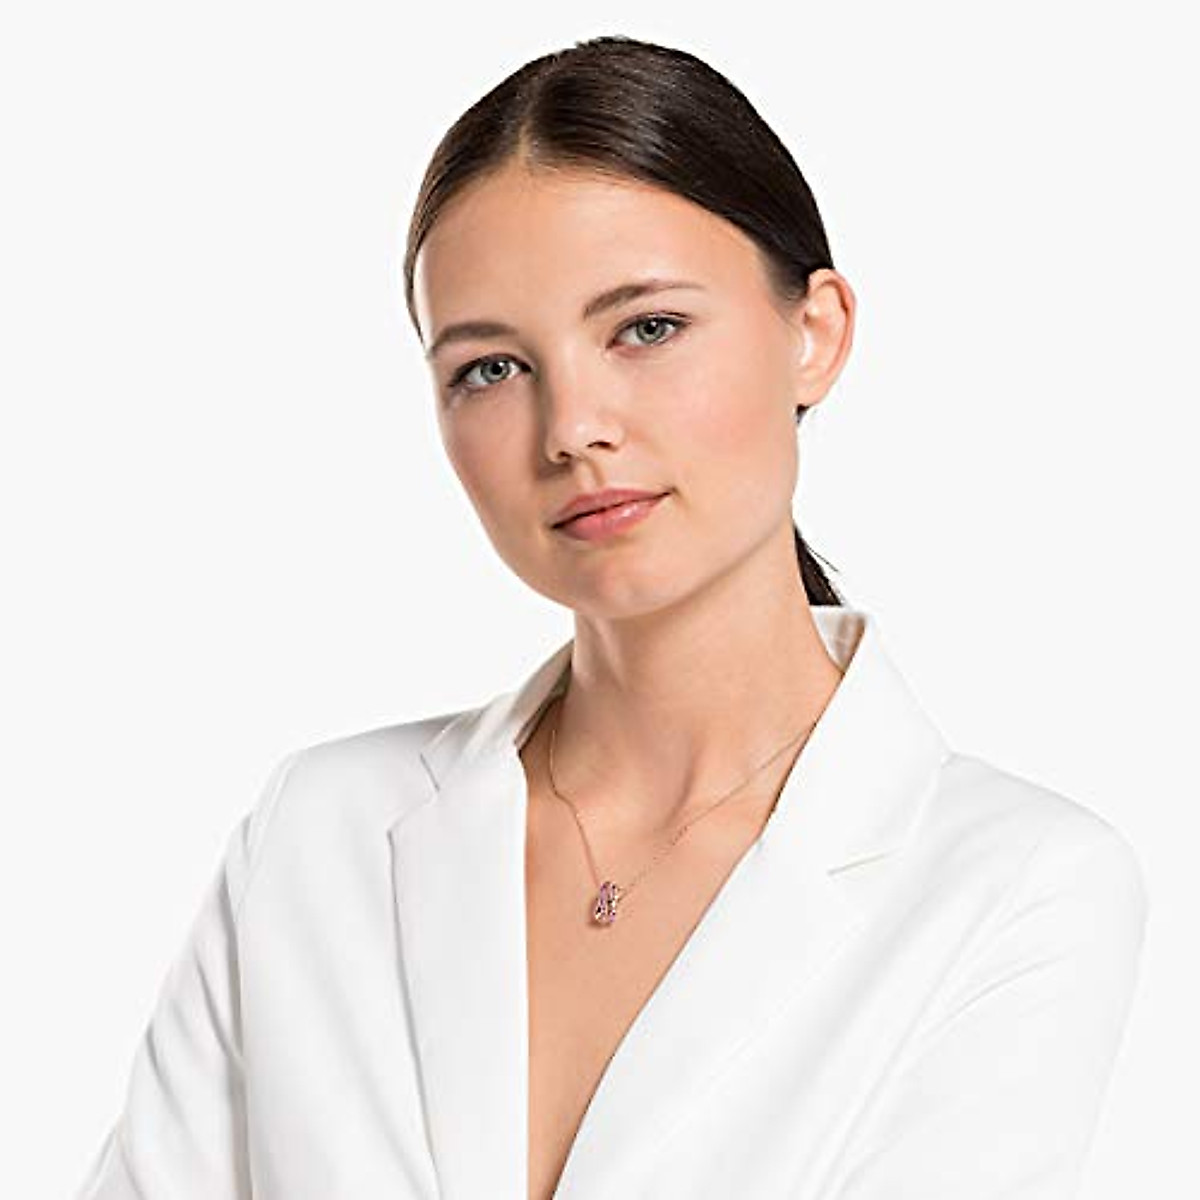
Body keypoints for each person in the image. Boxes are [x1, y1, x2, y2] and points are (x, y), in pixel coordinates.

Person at [78, 33, 1148, 1200]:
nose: (572, 427)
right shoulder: (316, 834)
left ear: (816, 333)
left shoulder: (1017, 887)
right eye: (491, 368)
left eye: (646, 328)